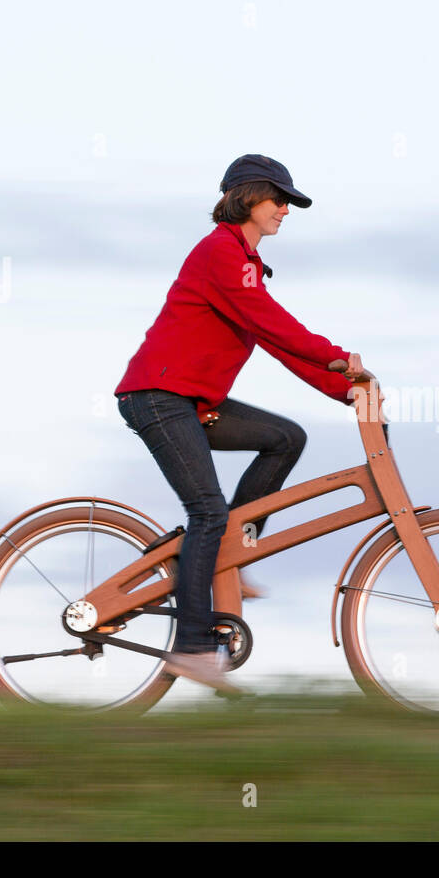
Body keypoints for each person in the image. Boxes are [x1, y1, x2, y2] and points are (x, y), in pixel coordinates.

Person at [114, 154, 369, 697]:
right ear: (249, 197)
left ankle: (236, 546)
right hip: (158, 397)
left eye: (289, 202)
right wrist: (341, 359)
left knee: (284, 438)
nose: (285, 209)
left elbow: (278, 343)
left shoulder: (244, 262)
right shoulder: (220, 255)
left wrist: (344, 388)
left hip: (191, 401)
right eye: (279, 199)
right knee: (206, 511)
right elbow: (276, 327)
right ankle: (190, 648)